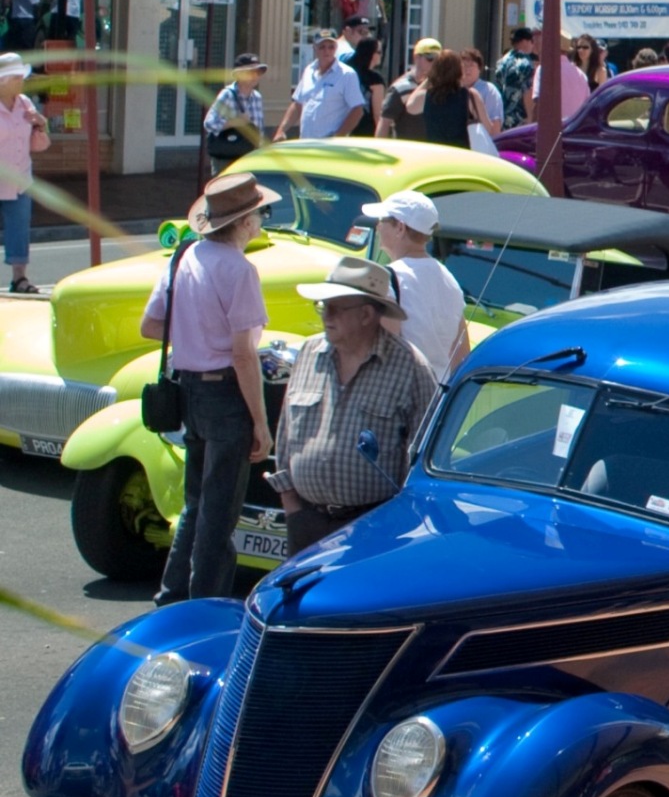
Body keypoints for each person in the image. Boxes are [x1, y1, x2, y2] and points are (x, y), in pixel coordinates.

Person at [142, 174, 277, 603]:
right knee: (219, 514)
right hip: (224, 394)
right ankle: (204, 607)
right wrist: (261, 421)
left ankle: (171, 596)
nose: (261, 220)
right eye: (258, 213)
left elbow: (150, 325)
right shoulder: (239, 269)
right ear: (244, 223)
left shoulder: (186, 256)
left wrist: (194, 331)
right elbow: (242, 355)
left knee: (196, 504)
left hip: (190, 392)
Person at [268, 257, 440, 556]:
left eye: (336, 307)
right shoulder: (310, 353)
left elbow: (423, 455)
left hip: (372, 525)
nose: (326, 315)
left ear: (366, 315)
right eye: (323, 306)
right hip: (306, 520)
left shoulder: (410, 367)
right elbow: (286, 434)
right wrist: (292, 506)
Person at [362, 189, 469, 380]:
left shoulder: (389, 279)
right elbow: (461, 356)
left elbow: (384, 354)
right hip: (438, 398)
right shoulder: (451, 282)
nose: (377, 227)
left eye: (382, 220)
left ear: (400, 228)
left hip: (403, 397)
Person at [0, 53, 47, 293]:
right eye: (16, 77)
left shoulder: (25, 103)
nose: (21, 81)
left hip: (20, 179)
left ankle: (19, 279)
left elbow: (39, 146)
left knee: (19, 228)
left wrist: (40, 124)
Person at [276, 34, 369, 141]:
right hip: (305, 141)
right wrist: (281, 130)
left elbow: (357, 110)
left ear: (336, 48)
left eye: (331, 47)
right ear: (314, 48)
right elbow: (297, 104)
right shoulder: (309, 70)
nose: (327, 51)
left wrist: (338, 136)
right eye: (322, 47)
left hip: (330, 145)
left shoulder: (347, 74)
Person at [402, 50, 489, 150]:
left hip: (437, 155)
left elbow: (409, 106)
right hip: (463, 156)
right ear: (459, 71)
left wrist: (429, 79)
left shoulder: (426, 96)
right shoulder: (470, 96)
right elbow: (488, 128)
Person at [203, 53, 268, 176]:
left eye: (258, 72)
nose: (255, 76)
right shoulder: (227, 95)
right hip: (226, 159)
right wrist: (236, 122)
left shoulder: (257, 98)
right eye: (250, 71)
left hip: (249, 158)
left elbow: (260, 131)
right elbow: (209, 123)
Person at [375, 41, 439, 141]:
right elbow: (385, 123)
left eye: (439, 60)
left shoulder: (441, 87)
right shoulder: (401, 88)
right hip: (406, 150)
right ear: (416, 58)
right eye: (430, 58)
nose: (435, 63)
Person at [531, 31, 594, 124]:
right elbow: (587, 106)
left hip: (550, 130)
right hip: (573, 131)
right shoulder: (581, 75)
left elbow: (538, 104)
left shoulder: (543, 70)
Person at [493, 27, 538, 127]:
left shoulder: (502, 61)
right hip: (519, 118)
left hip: (501, 115)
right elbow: (527, 92)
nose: (533, 44)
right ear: (524, 41)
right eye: (531, 41)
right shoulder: (526, 65)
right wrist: (530, 117)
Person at [347, 36, 385, 129]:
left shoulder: (347, 72)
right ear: (370, 54)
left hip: (345, 126)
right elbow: (377, 114)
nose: (381, 55)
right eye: (379, 52)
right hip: (366, 131)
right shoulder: (375, 80)